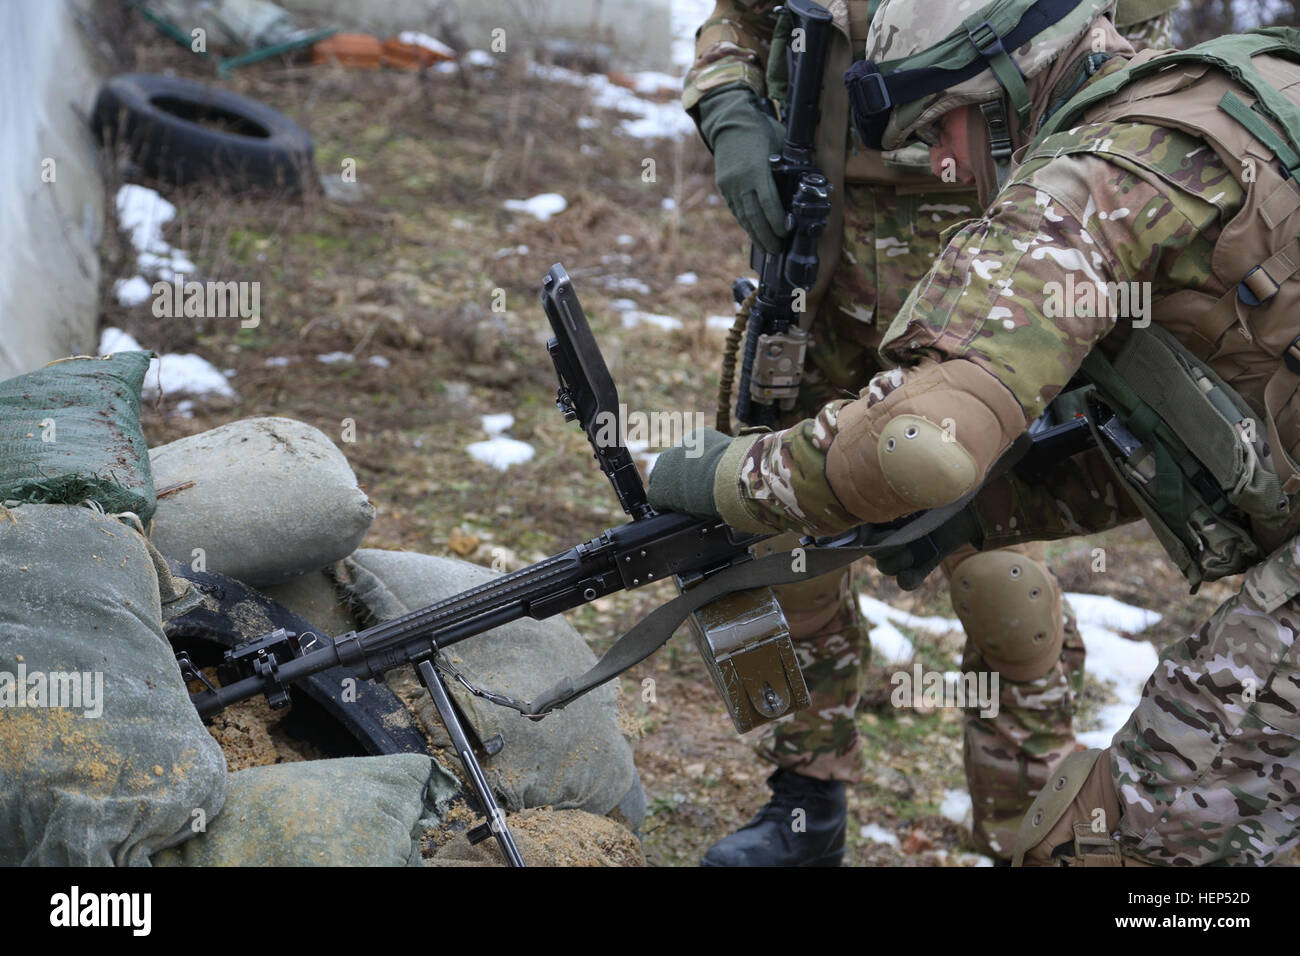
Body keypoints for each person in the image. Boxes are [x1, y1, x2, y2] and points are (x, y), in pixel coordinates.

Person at [657, 0, 1300, 866]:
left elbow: (918, 440)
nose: (937, 154)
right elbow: (737, 21)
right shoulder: (1243, 88)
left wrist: (725, 477)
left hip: (1019, 297)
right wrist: (731, 110)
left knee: (1018, 630)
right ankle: (802, 794)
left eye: (945, 127)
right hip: (825, 273)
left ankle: (1024, 809)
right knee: (780, 566)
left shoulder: (1094, 178)